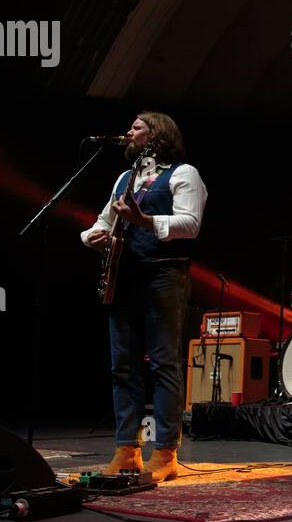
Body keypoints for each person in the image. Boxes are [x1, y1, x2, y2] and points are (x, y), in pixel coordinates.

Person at [82, 112, 207, 481]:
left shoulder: (185, 174)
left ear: (157, 134)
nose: (128, 131)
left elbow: (191, 224)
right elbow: (104, 221)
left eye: (136, 126)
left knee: (163, 363)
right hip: (124, 276)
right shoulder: (126, 178)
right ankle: (126, 450)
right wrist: (91, 236)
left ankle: (166, 452)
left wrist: (146, 222)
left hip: (164, 274)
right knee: (122, 365)